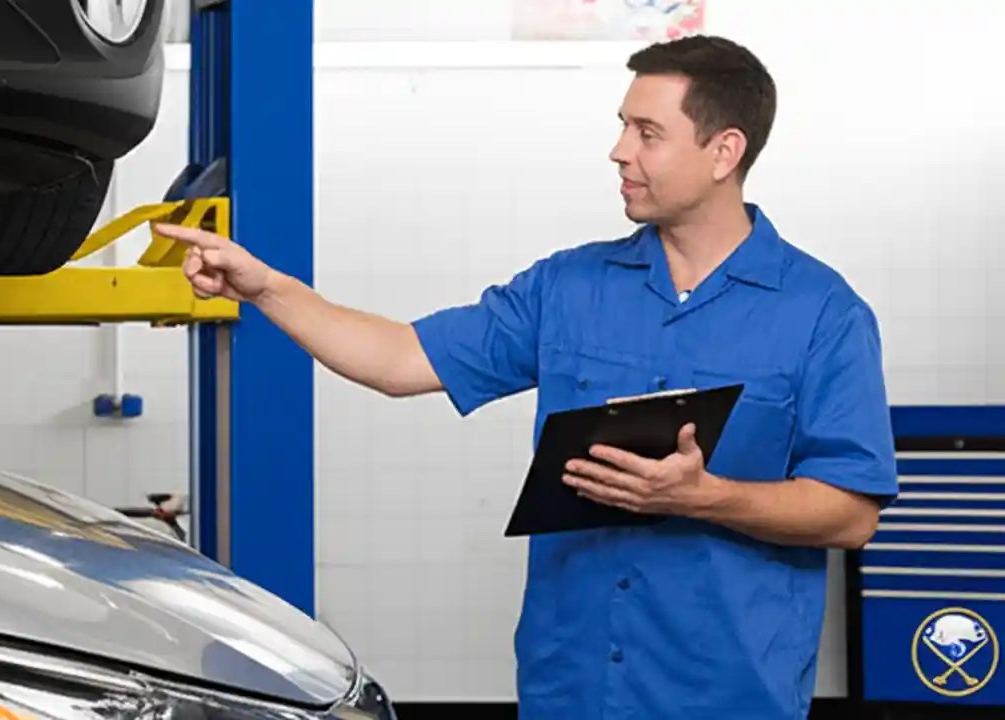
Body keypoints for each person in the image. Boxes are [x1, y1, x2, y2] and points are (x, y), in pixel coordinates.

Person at [154, 34, 898, 720]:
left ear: (723, 150)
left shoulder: (822, 314)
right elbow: (399, 359)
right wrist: (266, 288)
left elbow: (849, 512)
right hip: (570, 690)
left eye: (647, 132)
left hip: (731, 696)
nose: (618, 151)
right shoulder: (568, 288)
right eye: (622, 125)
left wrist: (705, 498)